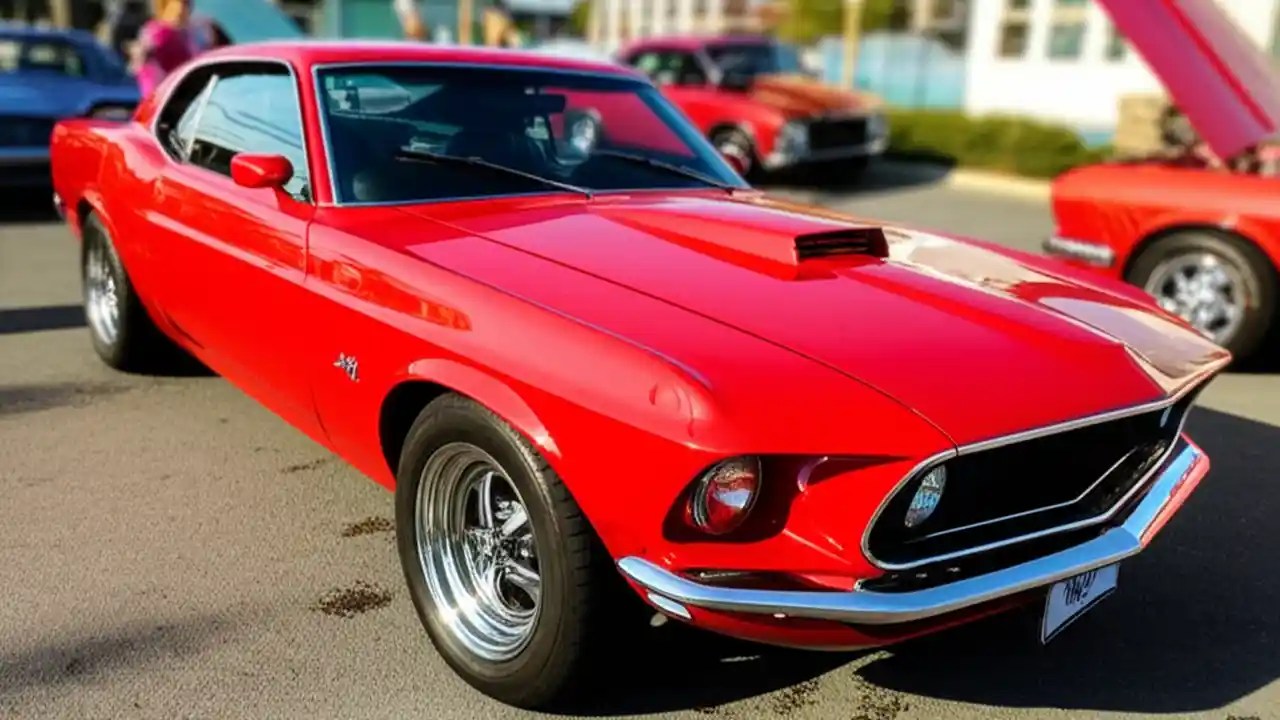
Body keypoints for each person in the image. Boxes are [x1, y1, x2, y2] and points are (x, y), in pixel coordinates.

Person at [133, 0, 197, 98]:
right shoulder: (161, 32)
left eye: (185, 4)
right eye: (175, 4)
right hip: (164, 97)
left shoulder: (184, 34)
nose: (181, 9)